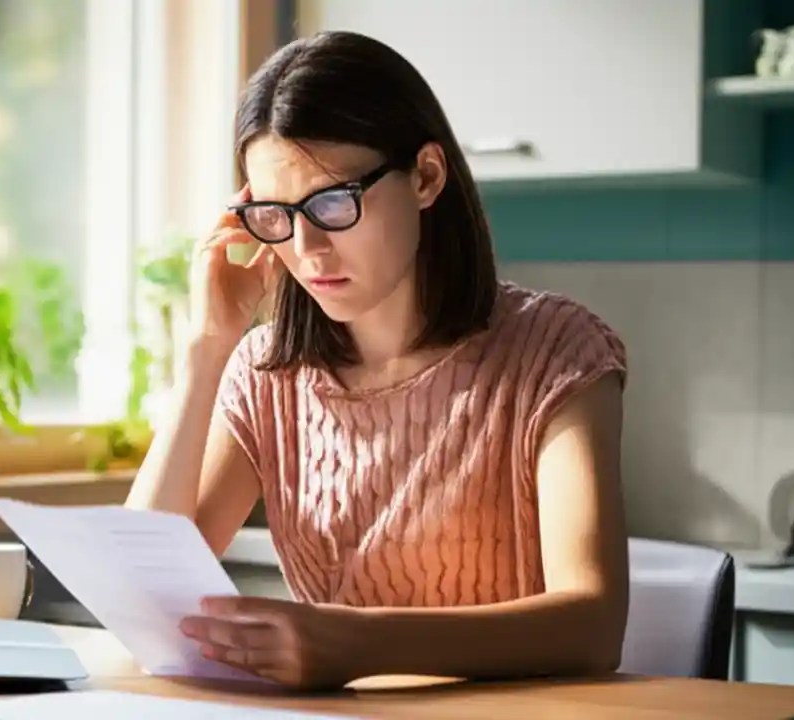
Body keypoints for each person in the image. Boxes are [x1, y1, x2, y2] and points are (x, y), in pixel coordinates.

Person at [125, 30, 629, 690]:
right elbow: (140, 599)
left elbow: (593, 626)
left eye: (333, 202)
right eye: (275, 214)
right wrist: (205, 350)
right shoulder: (266, 374)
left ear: (426, 176)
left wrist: (358, 642)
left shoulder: (557, 352)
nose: (307, 248)